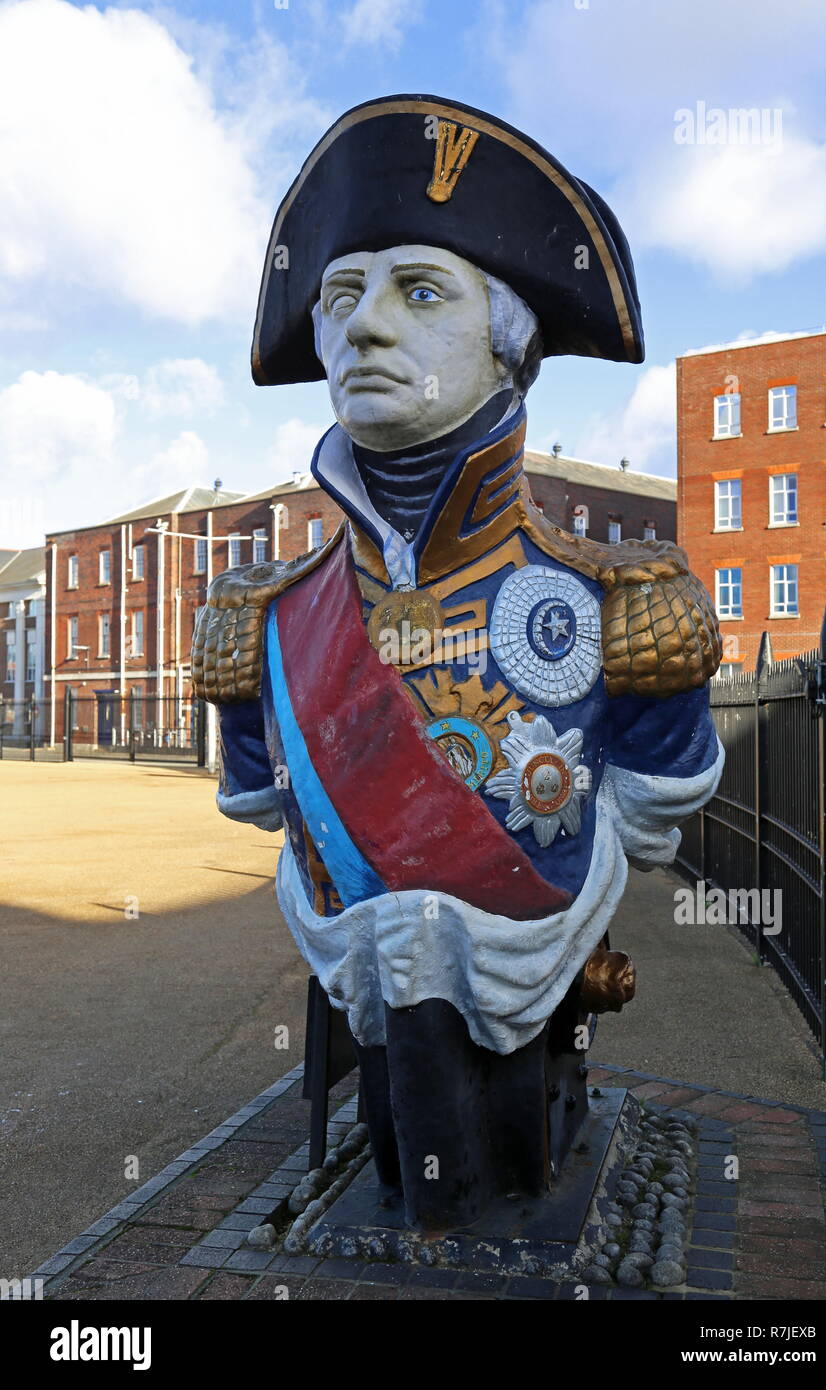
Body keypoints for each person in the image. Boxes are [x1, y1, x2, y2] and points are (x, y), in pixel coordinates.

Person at [193, 95, 724, 1230]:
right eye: (341, 295)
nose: (364, 328)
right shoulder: (265, 625)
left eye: (418, 290)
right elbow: (256, 798)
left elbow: (648, 802)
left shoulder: (624, 600)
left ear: (510, 338)